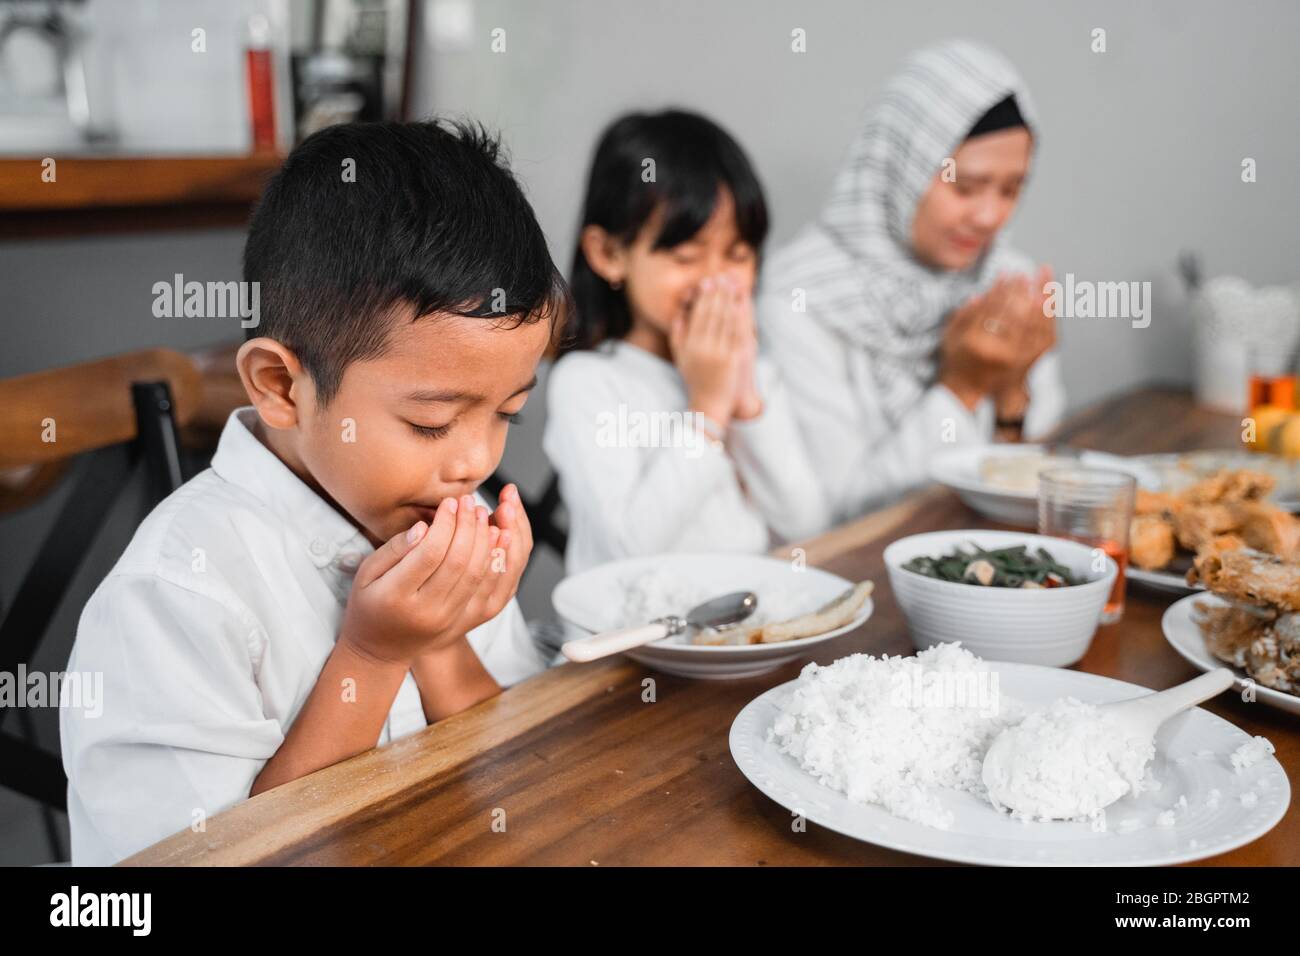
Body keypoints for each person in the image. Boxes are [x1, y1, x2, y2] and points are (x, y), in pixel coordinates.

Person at [59, 120, 567, 864]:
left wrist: (445, 642)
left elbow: (515, 779)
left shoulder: (451, 524)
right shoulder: (176, 596)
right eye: (432, 422)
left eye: (507, 416)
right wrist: (371, 656)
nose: (477, 462)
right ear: (280, 387)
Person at [759, 39, 1066, 525]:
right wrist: (963, 386)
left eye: (1011, 190)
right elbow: (841, 510)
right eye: (964, 187)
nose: (990, 216)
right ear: (900, 166)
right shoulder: (801, 297)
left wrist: (1013, 394)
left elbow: (1040, 477)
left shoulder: (1009, 281)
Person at [544, 110, 828, 574]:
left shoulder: (749, 369)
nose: (715, 281)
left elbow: (806, 524)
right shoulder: (588, 383)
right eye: (686, 256)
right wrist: (708, 411)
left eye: (737, 255)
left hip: (739, 624)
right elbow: (626, 552)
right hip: (632, 634)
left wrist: (747, 401)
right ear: (609, 254)